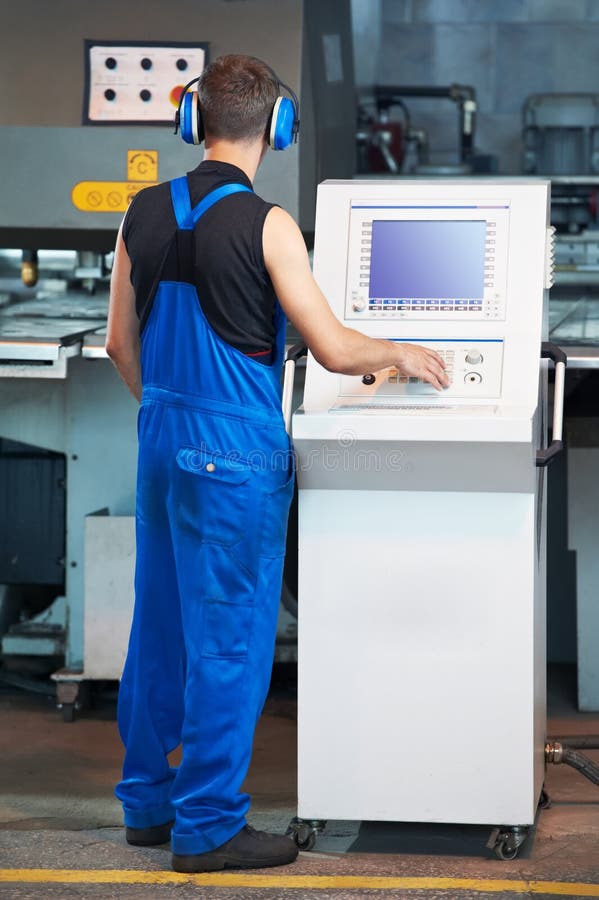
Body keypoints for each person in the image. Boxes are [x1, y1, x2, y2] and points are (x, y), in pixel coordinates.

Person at [106, 53, 448, 875]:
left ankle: (147, 806)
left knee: (159, 625)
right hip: (233, 453)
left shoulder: (142, 211)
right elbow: (331, 350)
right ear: (277, 128)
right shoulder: (269, 225)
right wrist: (397, 351)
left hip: (159, 437)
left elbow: (122, 344)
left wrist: (167, 414)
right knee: (227, 639)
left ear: (193, 119)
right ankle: (209, 828)